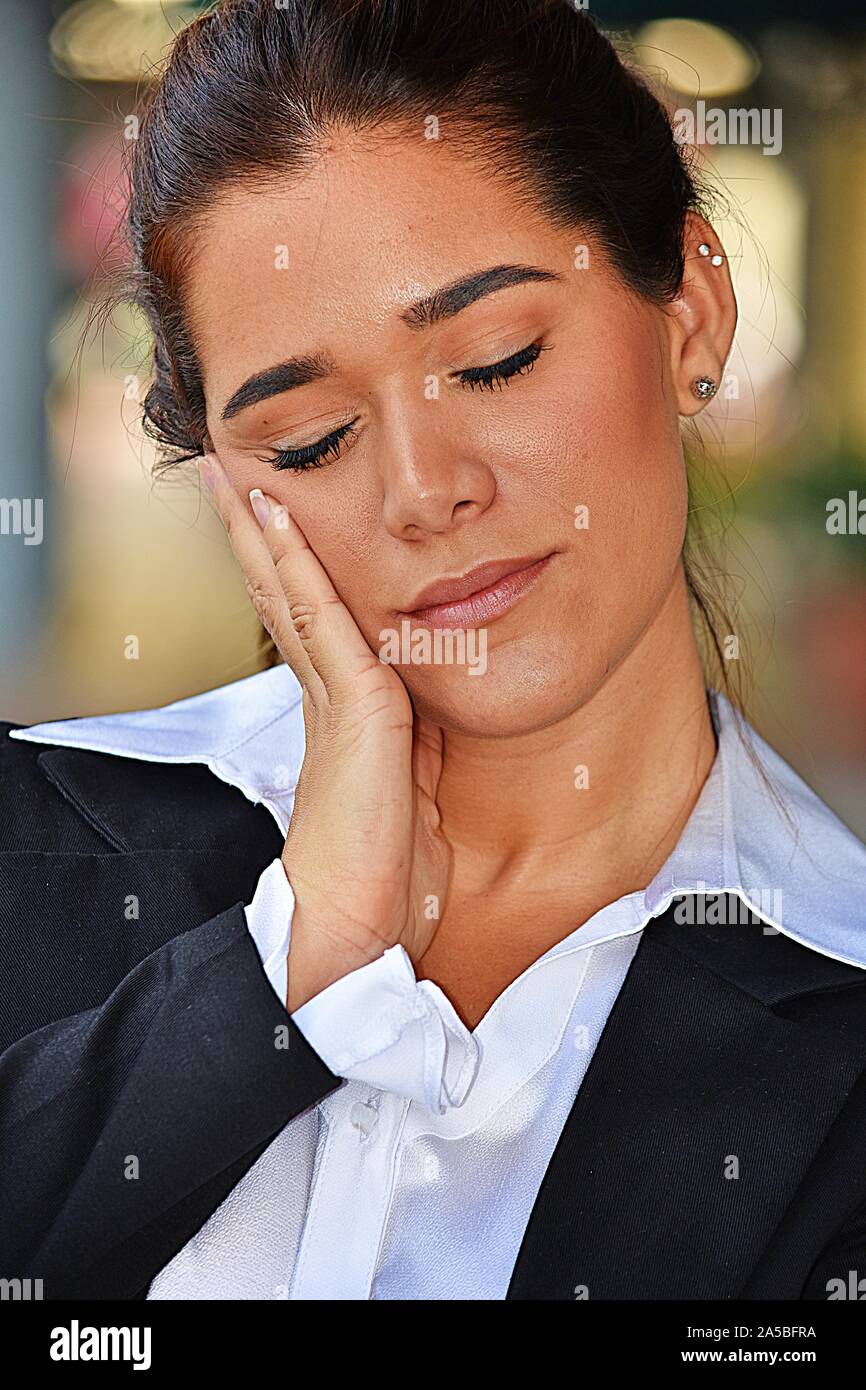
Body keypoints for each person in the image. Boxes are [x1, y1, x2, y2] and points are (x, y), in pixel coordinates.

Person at [2, 0, 865, 1301]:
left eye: (497, 358)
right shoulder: (36, 835)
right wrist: (288, 971)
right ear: (230, 483)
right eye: (309, 439)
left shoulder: (837, 1004)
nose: (423, 488)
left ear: (687, 307)